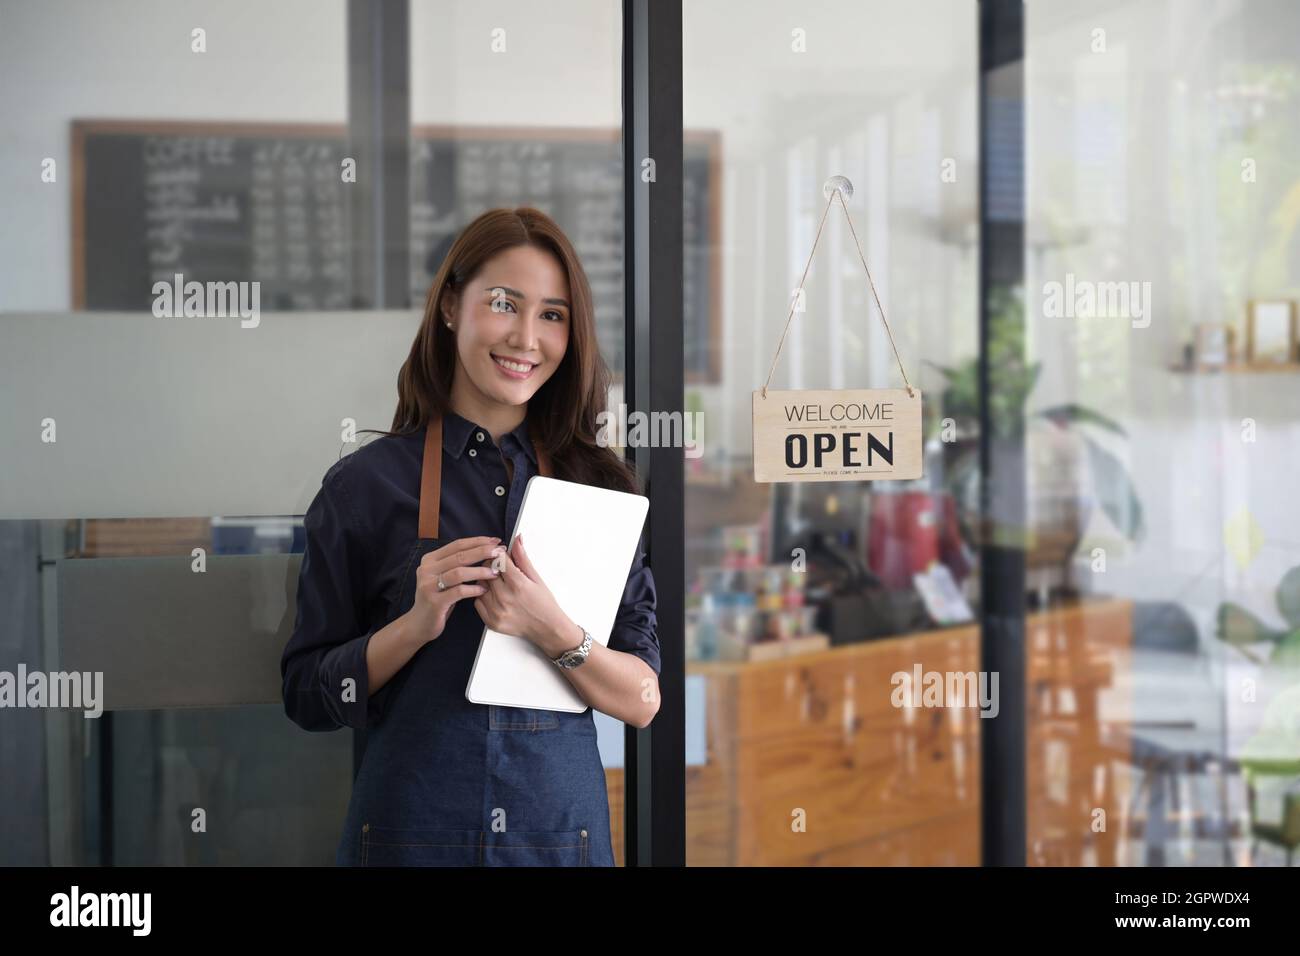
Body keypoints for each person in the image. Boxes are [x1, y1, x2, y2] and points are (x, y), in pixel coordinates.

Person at [280, 207, 660, 866]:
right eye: (504, 303)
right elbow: (309, 697)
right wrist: (414, 624)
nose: (525, 336)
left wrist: (553, 631)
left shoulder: (601, 491)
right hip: (408, 838)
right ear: (452, 306)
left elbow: (643, 700)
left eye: (552, 314)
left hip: (556, 841)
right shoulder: (363, 488)